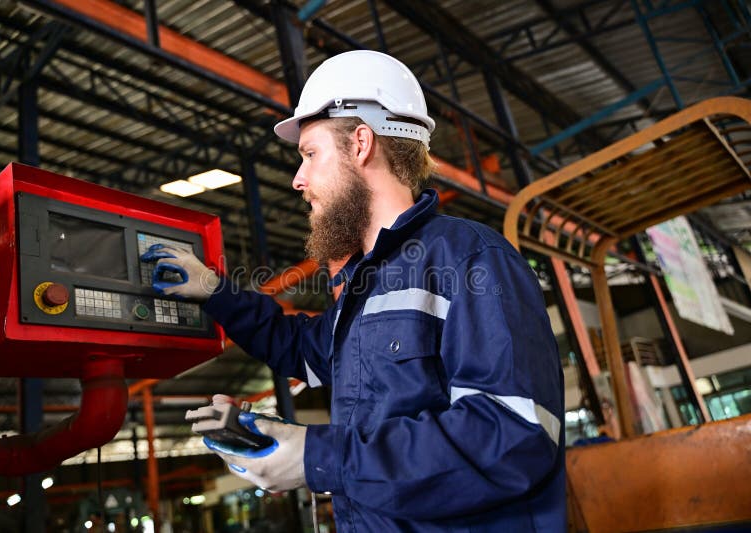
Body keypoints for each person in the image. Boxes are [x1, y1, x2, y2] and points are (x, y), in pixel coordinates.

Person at [143, 50, 565, 532]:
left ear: (361, 143)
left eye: (309, 153)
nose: (297, 179)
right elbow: (302, 349)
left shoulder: (470, 259)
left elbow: (513, 437)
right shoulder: (366, 286)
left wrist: (318, 457)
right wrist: (216, 292)